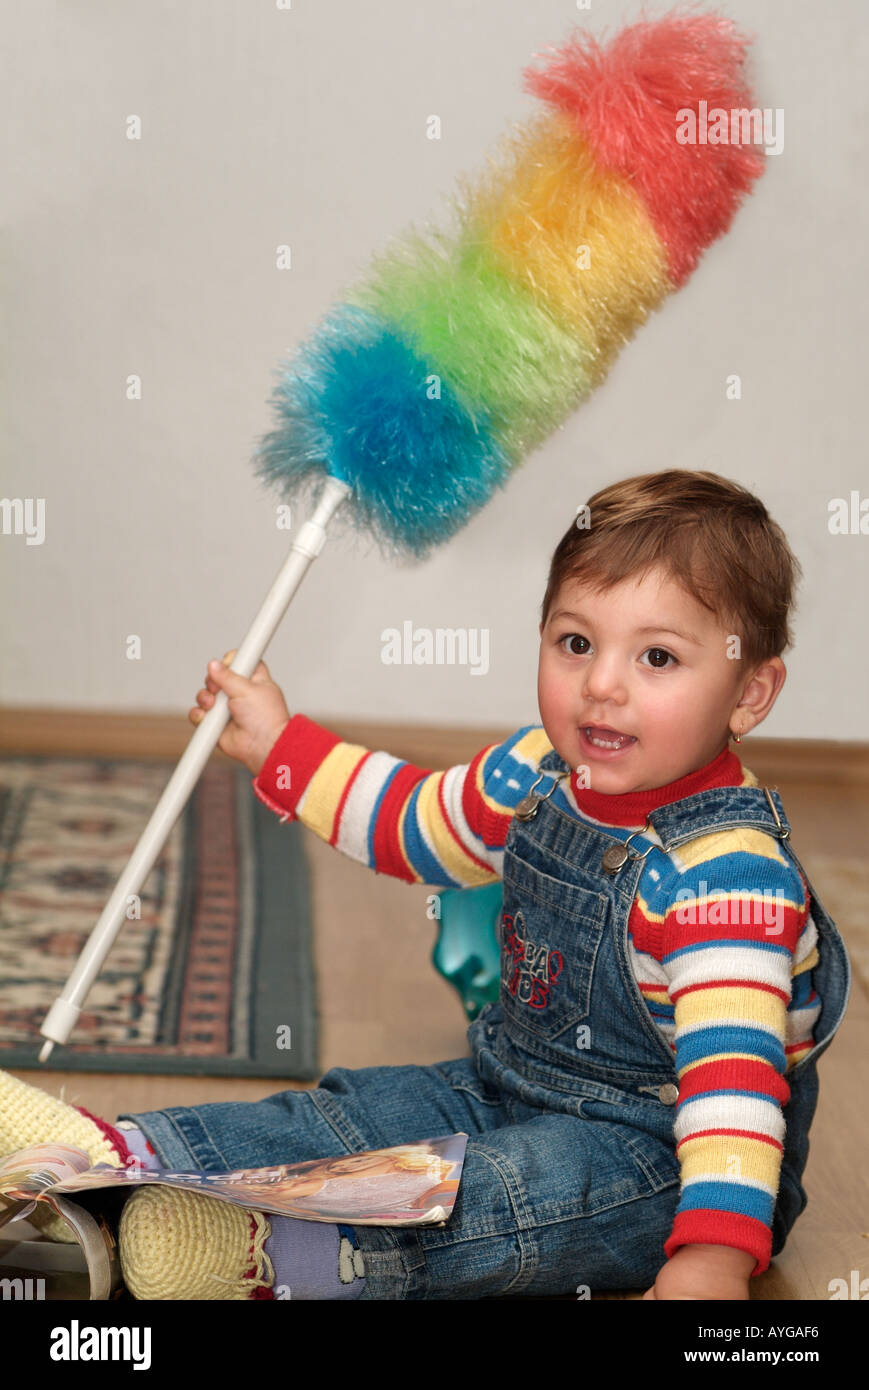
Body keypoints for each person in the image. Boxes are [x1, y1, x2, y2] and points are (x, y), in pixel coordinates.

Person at [0, 469, 851, 1301]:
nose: (600, 684)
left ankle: (264, 1253)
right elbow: (413, 821)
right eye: (575, 643)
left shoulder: (726, 876)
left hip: (657, 1165)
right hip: (501, 1084)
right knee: (353, 1112)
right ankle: (109, 1154)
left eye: (657, 657)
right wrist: (279, 746)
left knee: (483, 1194)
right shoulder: (538, 771)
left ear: (750, 692)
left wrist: (711, 1257)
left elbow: (732, 1085)